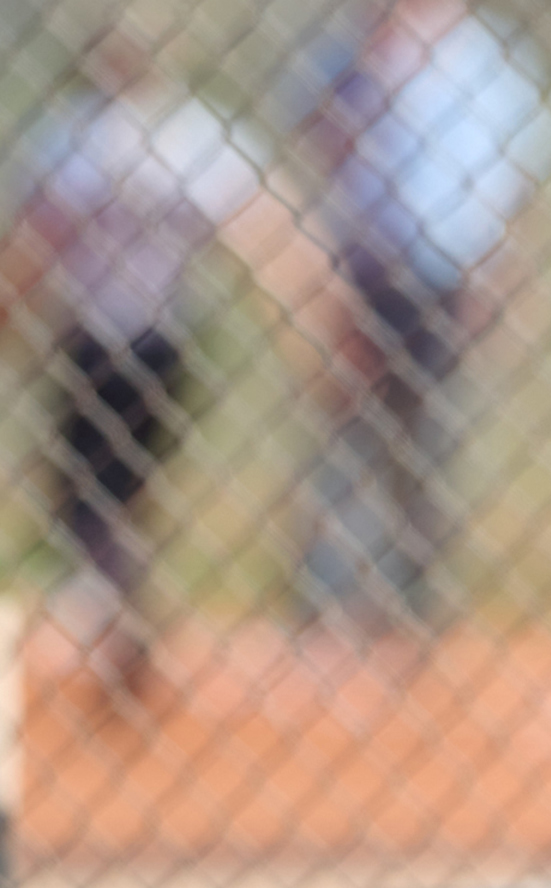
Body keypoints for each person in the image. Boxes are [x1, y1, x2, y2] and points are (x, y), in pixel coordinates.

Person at [0, 25, 355, 683]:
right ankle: (117, 606)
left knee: (94, 491)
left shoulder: (79, 135)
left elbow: (30, 248)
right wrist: (309, 320)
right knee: (116, 489)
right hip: (150, 342)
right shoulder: (191, 134)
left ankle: (108, 607)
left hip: (106, 341)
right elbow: (270, 234)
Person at [292, 0, 551, 631]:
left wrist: (507, 283)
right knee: (346, 439)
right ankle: (327, 600)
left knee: (428, 441)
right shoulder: (349, 52)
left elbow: (521, 187)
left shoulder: (491, 60)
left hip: (448, 275)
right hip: (359, 273)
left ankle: (414, 605)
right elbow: (313, 153)